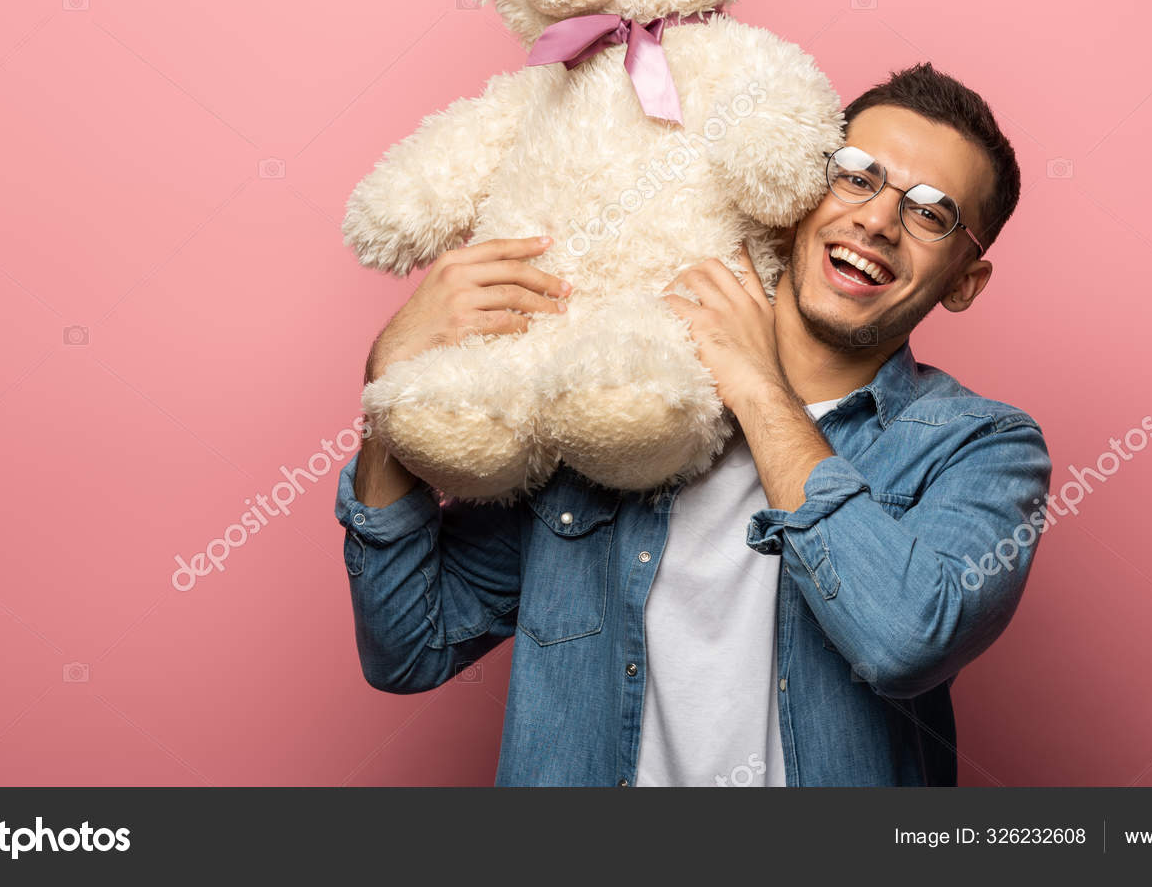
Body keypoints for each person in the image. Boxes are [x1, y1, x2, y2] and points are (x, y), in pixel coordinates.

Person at [333, 61, 1052, 786]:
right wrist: (391, 381)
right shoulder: (621, 408)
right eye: (857, 175)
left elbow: (903, 641)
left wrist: (758, 388)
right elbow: (408, 649)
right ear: (804, 187)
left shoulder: (983, 446)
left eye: (929, 212)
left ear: (964, 280)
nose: (874, 219)